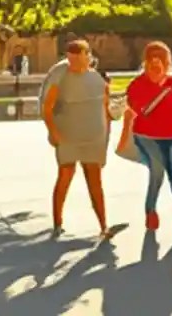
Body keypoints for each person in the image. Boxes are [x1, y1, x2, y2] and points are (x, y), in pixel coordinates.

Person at [119, 41, 172, 232]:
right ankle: (151, 211)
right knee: (157, 172)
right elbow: (141, 109)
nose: (156, 65)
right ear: (145, 62)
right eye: (151, 60)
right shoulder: (137, 85)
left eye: (161, 60)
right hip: (148, 137)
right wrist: (161, 88)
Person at [42, 40, 113, 239]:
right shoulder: (61, 79)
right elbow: (47, 108)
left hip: (93, 137)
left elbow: (106, 112)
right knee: (65, 175)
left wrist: (105, 141)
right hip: (68, 136)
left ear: (87, 56)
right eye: (69, 58)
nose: (72, 62)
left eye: (77, 57)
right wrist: (53, 131)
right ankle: (57, 223)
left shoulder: (99, 80)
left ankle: (104, 225)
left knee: (95, 181)